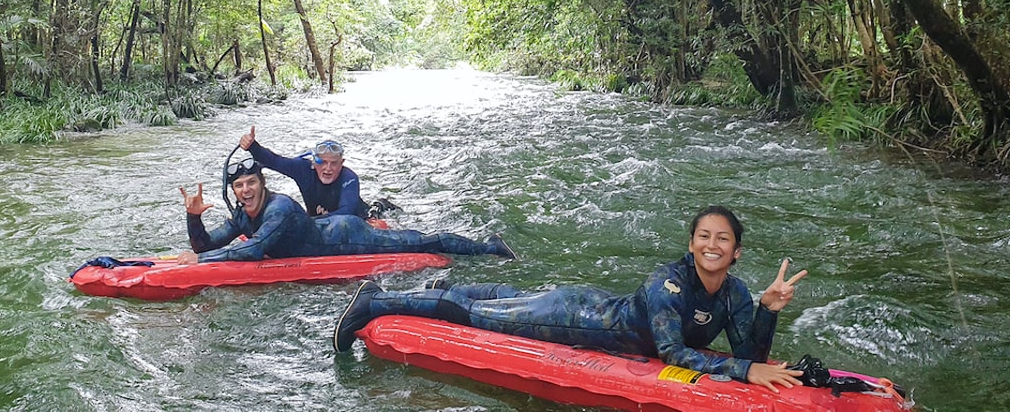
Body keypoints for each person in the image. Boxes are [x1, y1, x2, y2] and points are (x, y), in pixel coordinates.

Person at [332, 205, 807, 393]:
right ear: (691, 244)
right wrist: (746, 371)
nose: (712, 245)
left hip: (592, 302)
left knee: (513, 300)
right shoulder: (669, 282)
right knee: (479, 317)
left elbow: (749, 354)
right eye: (704, 236)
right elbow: (672, 353)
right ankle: (375, 301)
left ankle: (445, 288)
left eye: (723, 239)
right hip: (578, 317)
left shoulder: (735, 293)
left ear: (736, 252)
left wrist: (767, 312)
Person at [174, 157, 516, 264]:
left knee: (421, 241)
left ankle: (489, 247)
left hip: (343, 236)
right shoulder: (242, 214)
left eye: (251, 183)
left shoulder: (279, 207)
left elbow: (255, 247)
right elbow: (206, 245)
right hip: (323, 231)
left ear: (262, 184)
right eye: (239, 186)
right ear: (234, 191)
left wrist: (199, 262)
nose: (246, 190)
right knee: (417, 239)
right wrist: (194, 217)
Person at [239, 126, 366, 218]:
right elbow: (274, 161)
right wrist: (253, 147)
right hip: (317, 222)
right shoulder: (303, 169)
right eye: (323, 162)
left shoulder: (349, 178)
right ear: (314, 162)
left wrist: (313, 220)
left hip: (358, 223)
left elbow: (347, 212)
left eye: (333, 163)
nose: (328, 168)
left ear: (341, 163)